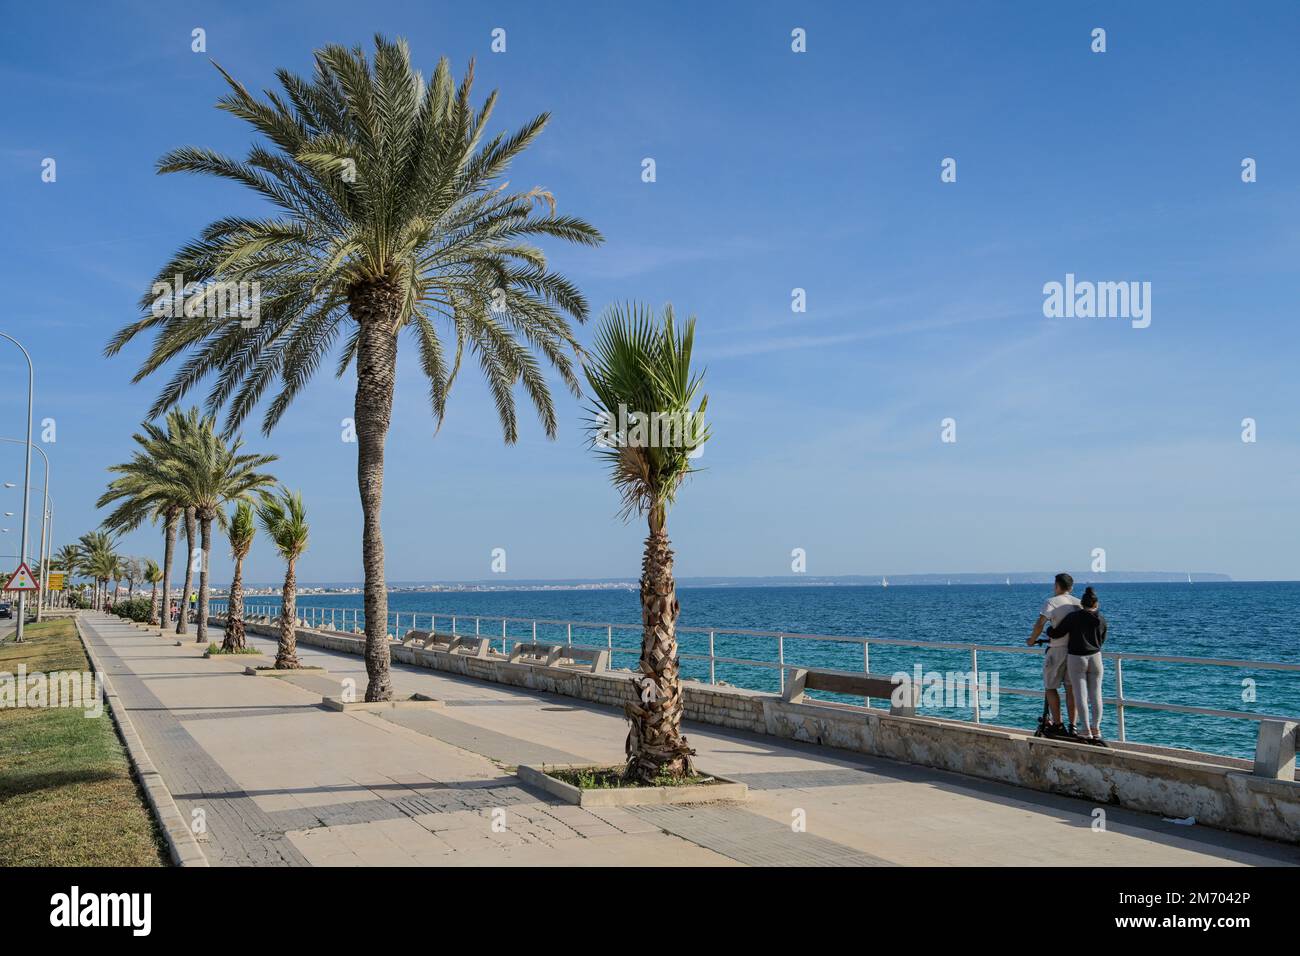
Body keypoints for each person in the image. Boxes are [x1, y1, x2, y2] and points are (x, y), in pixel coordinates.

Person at [1051, 587, 1108, 746]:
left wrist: (1049, 629)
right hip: (1096, 657)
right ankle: (1096, 729)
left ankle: (1085, 730)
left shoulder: (1074, 617)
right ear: (1096, 604)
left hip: (1076, 657)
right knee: (1096, 694)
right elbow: (1102, 639)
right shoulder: (1101, 619)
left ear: (1081, 604)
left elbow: (1057, 633)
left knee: (1080, 695)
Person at [1026, 572, 1080, 738]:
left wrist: (1031, 640)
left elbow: (1040, 624)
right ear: (1071, 587)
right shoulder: (1078, 603)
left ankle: (1058, 724)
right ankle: (1073, 726)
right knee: (1071, 690)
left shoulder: (1051, 602)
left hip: (1056, 649)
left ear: (1057, 586)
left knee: (1050, 687)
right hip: (1074, 651)